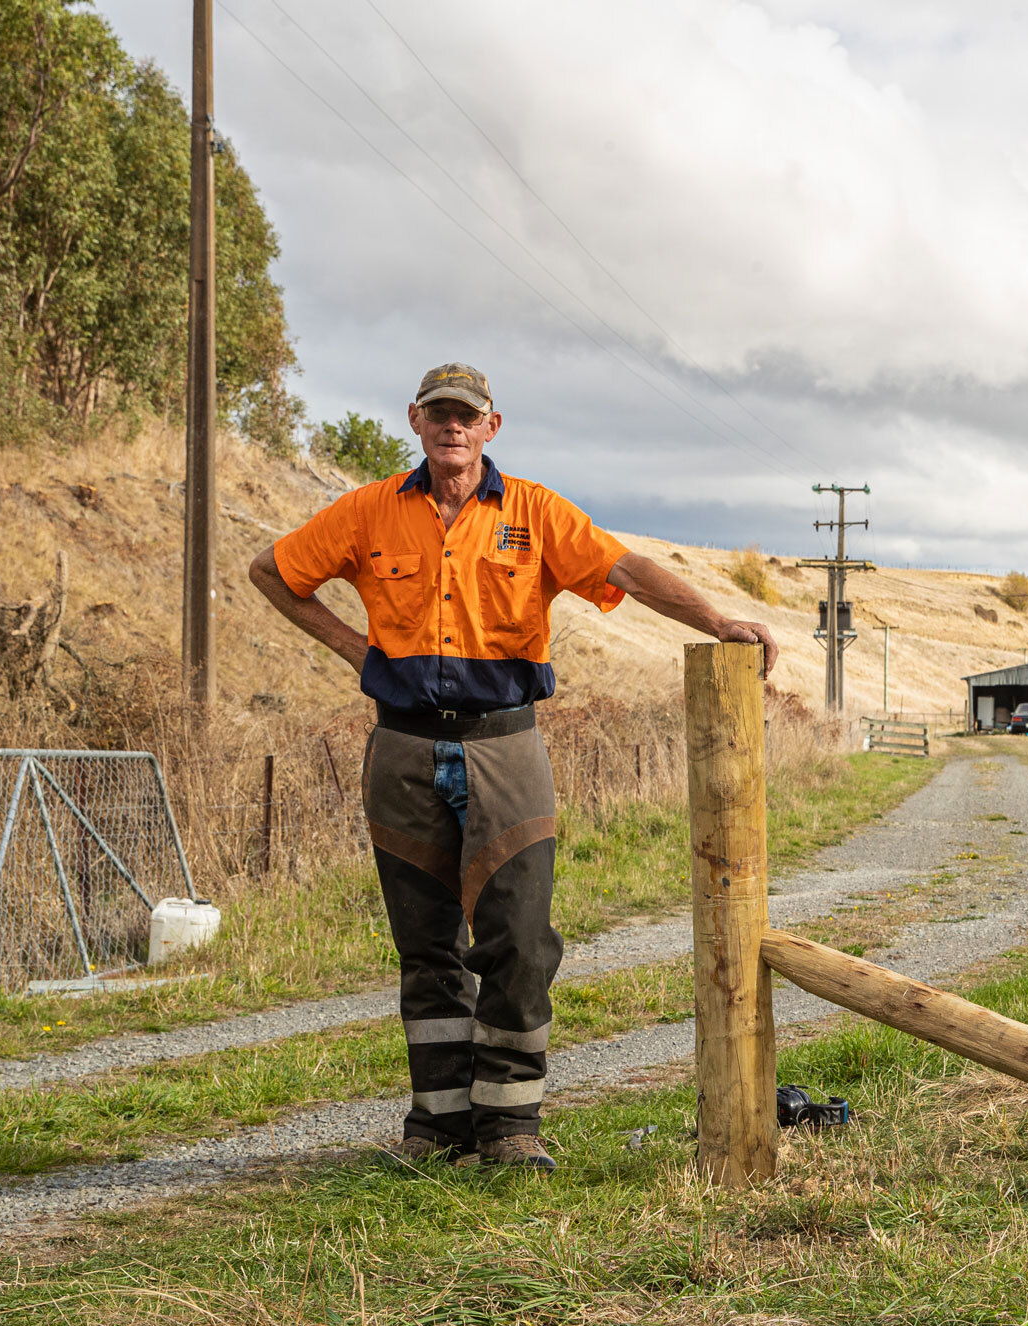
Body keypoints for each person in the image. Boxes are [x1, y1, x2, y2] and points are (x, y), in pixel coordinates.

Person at [249, 363, 776, 1169]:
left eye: (466, 415)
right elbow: (273, 573)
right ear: (416, 423)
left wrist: (715, 617)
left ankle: (509, 1125)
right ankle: (436, 1125)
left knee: (521, 941)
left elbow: (624, 570)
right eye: (438, 414)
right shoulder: (368, 511)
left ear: (491, 426)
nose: (452, 428)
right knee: (425, 944)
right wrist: (361, 654)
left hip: (507, 746)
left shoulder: (535, 513)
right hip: (402, 748)